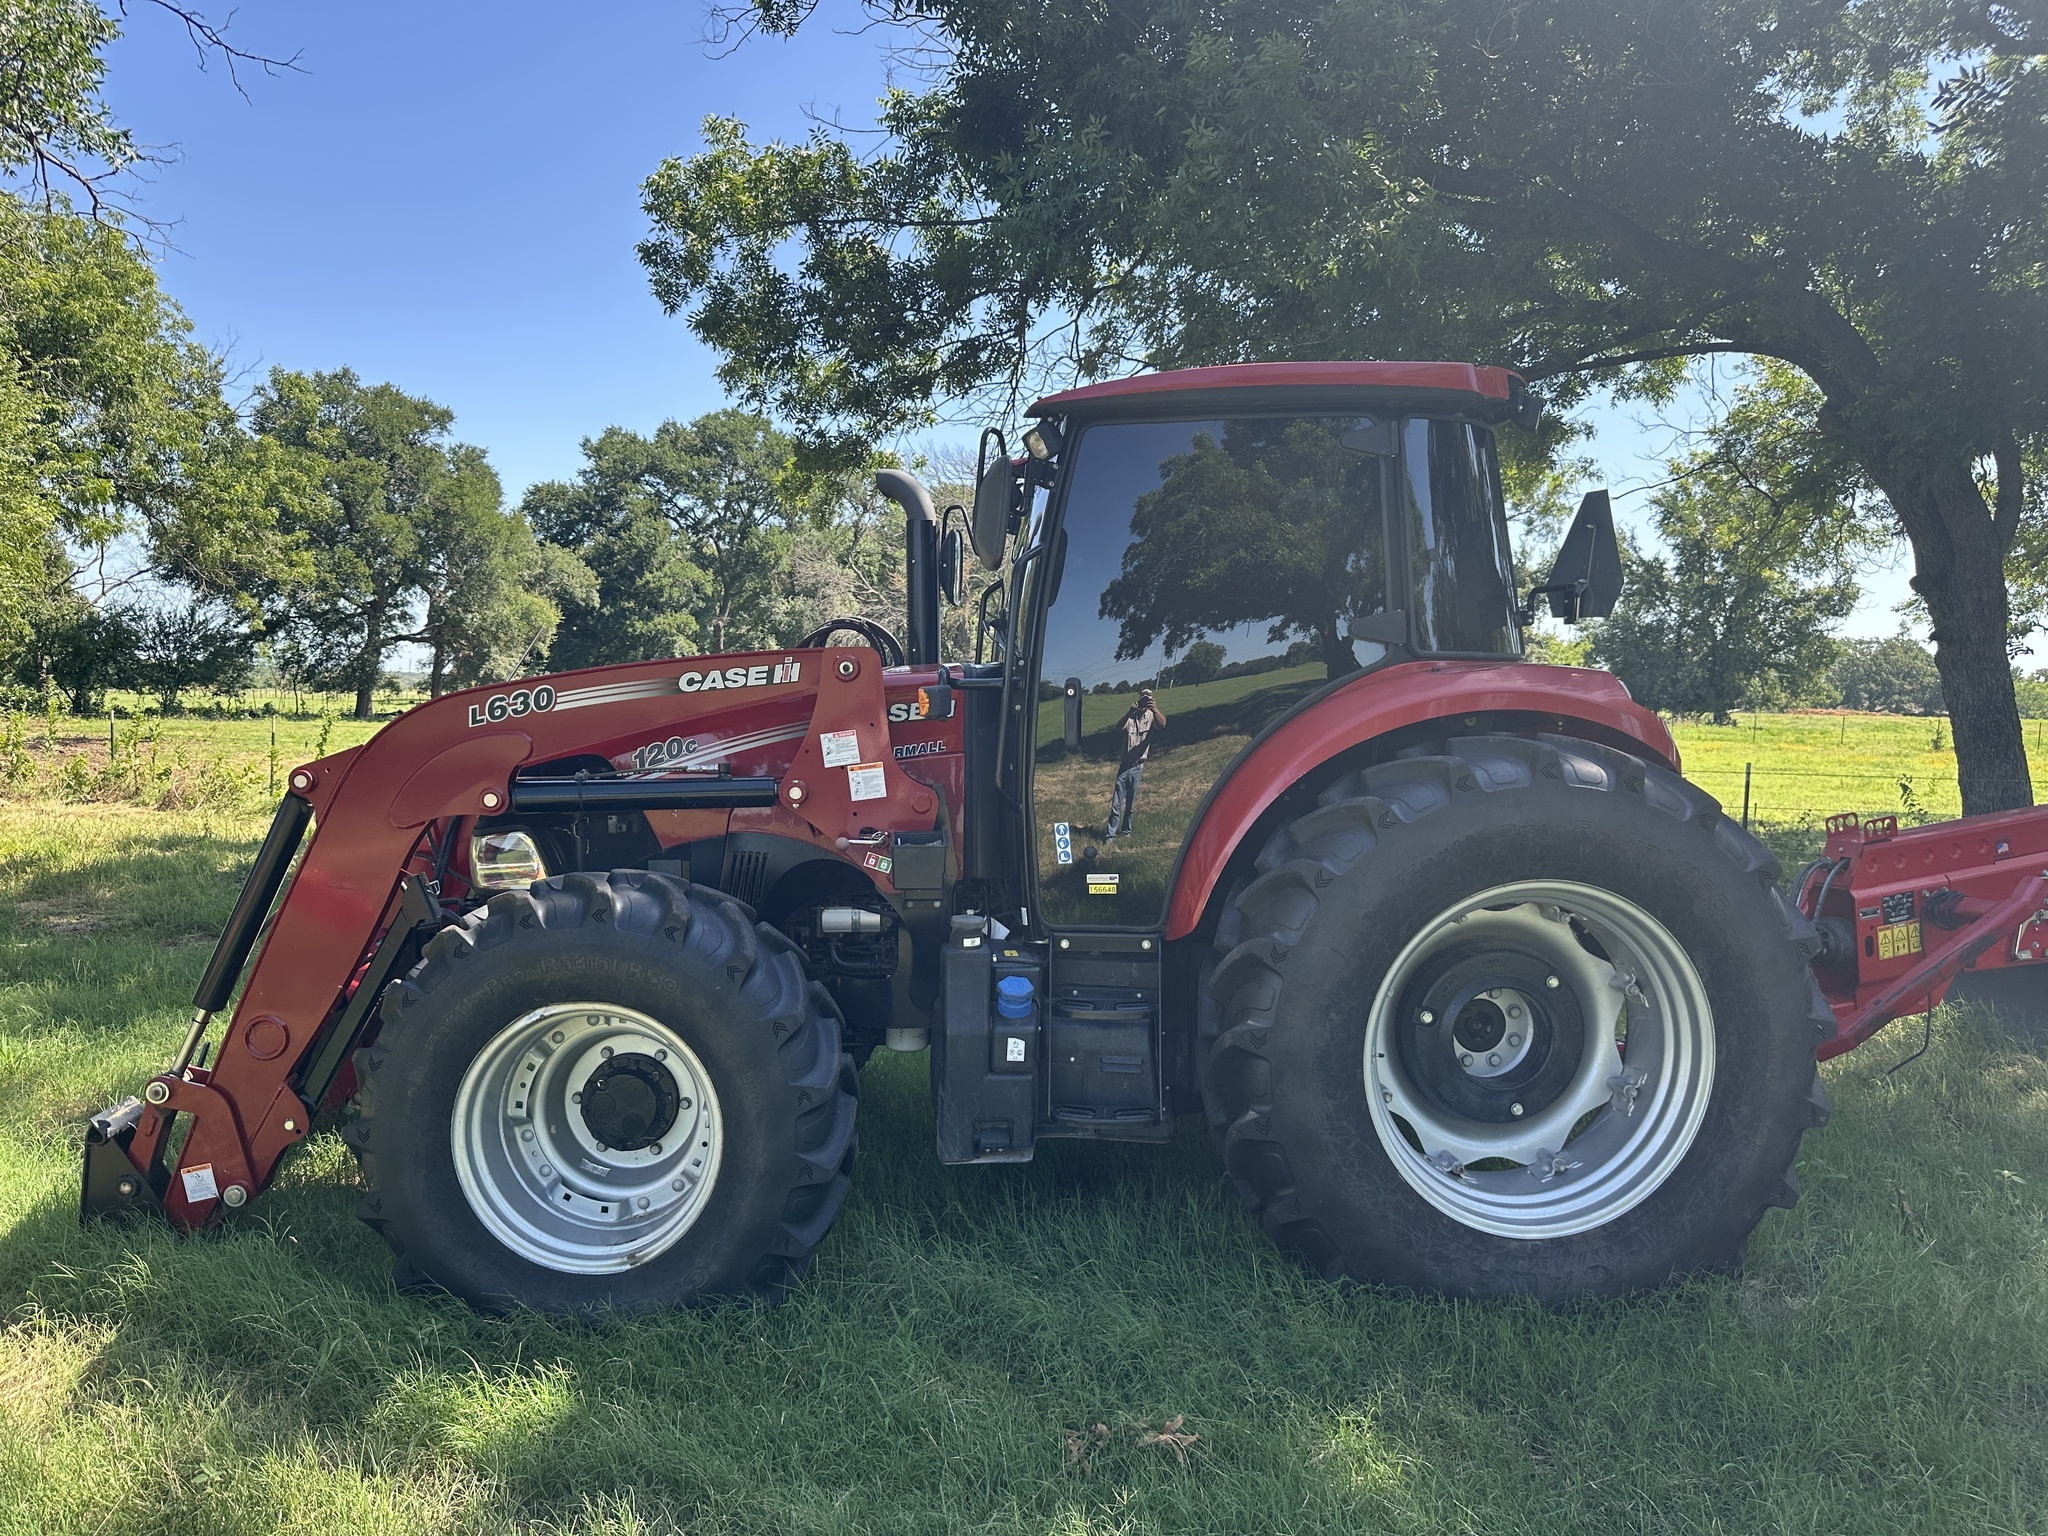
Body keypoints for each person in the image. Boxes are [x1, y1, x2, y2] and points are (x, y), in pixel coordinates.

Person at [1104, 688, 1167, 840]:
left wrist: (1155, 709)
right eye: (1143, 699)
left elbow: (1162, 725)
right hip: (1124, 766)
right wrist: (1129, 712)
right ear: (1139, 700)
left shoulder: (1152, 716)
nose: (1145, 702)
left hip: (1138, 767)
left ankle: (1126, 832)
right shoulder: (1130, 717)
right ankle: (1110, 836)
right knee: (1116, 804)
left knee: (1130, 805)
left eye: (1148, 699)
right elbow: (1118, 728)